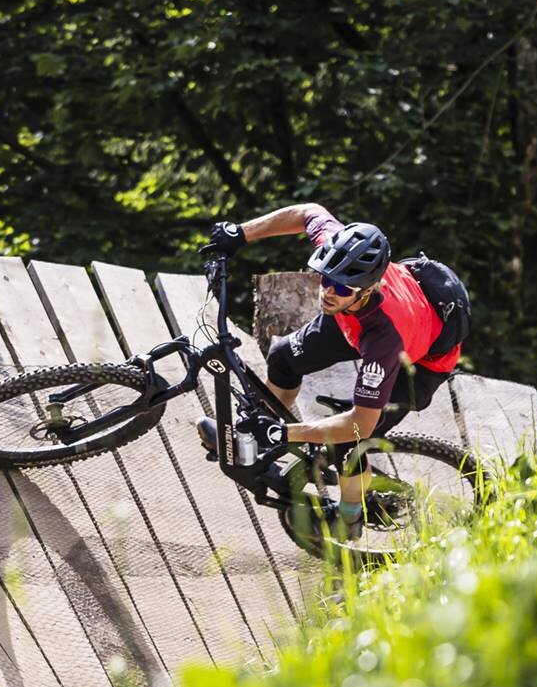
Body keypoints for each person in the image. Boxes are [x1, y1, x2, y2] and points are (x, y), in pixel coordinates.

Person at [198, 204, 468, 541]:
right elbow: (308, 212)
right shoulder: (342, 270)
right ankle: (250, 441)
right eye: (325, 278)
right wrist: (241, 233)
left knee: (347, 439)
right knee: (283, 357)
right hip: (354, 319)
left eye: (340, 287)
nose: (327, 291)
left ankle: (350, 518)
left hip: (419, 362)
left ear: (368, 288)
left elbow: (359, 423)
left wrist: (285, 434)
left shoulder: (385, 338)